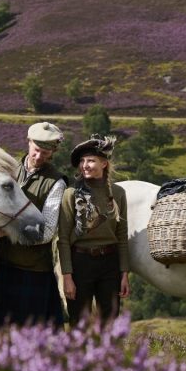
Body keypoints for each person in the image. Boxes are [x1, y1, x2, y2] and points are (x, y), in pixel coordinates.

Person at [0, 122, 68, 328]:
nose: (39, 156)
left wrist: (5, 231)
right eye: (36, 150)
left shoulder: (56, 183)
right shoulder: (6, 171)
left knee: (29, 337)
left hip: (32, 269)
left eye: (45, 152)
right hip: (0, 263)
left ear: (53, 152)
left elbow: (48, 231)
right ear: (28, 142)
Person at [57, 134, 130, 326]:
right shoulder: (70, 195)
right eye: (82, 161)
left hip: (110, 263)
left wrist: (124, 273)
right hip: (80, 262)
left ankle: (108, 357)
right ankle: (77, 357)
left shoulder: (118, 193)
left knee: (110, 322)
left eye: (90, 160)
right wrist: (67, 276)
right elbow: (63, 239)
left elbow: (122, 236)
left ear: (104, 163)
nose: (84, 165)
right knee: (78, 322)